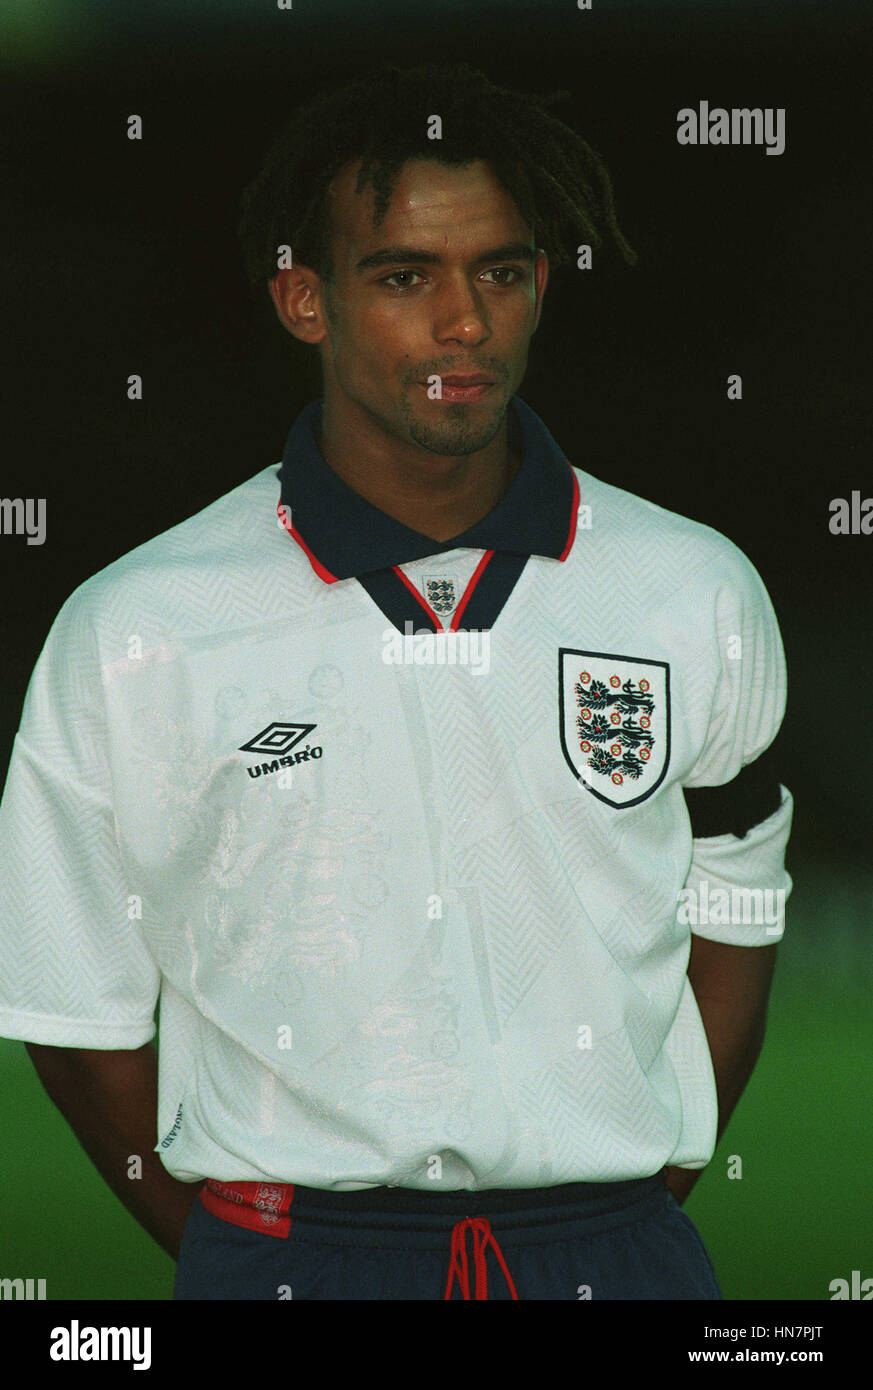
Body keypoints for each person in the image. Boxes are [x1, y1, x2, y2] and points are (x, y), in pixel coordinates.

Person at [0, 62, 792, 1300]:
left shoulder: (691, 587)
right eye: (405, 276)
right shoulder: (139, 625)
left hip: (623, 1254)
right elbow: (75, 1012)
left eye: (503, 272)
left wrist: (638, 1180)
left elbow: (740, 893)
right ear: (303, 299)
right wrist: (246, 1244)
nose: (464, 322)